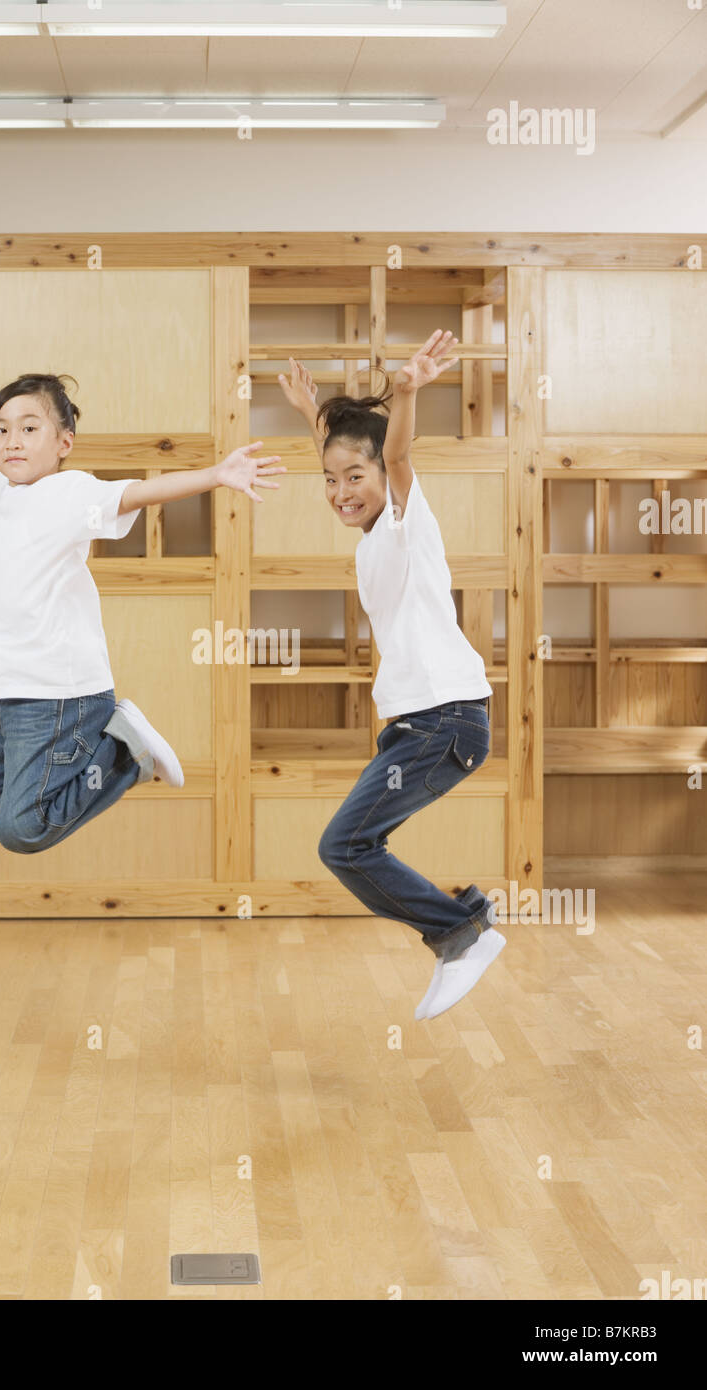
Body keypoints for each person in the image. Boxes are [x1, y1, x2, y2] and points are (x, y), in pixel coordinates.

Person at [0, 371, 284, 854]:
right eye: (1, 430)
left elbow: (137, 494)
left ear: (64, 443)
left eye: (29, 428)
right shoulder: (4, 486)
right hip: (6, 693)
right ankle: (117, 750)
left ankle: (124, 752)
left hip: (58, 694)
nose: (11, 441)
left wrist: (216, 475)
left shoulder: (70, 493)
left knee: (22, 830)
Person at [278, 333, 505, 1020]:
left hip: (445, 720)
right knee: (350, 846)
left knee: (345, 846)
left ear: (385, 476)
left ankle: (462, 935)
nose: (340, 492)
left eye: (356, 478)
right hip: (420, 725)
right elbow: (351, 454)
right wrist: (312, 413)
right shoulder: (376, 532)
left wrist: (405, 392)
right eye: (330, 480)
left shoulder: (409, 521)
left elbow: (397, 455)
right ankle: (464, 924)